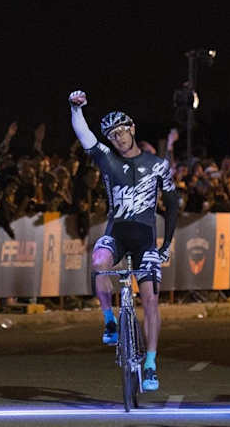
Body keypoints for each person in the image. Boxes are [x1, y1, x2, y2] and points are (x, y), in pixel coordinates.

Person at [69, 90, 180, 392]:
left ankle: (151, 363)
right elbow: (84, 135)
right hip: (116, 232)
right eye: (112, 135)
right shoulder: (106, 159)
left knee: (151, 298)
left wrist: (165, 246)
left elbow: (172, 205)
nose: (117, 138)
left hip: (145, 238)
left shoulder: (157, 165)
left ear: (132, 129)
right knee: (98, 261)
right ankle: (109, 320)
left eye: (121, 132)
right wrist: (75, 108)